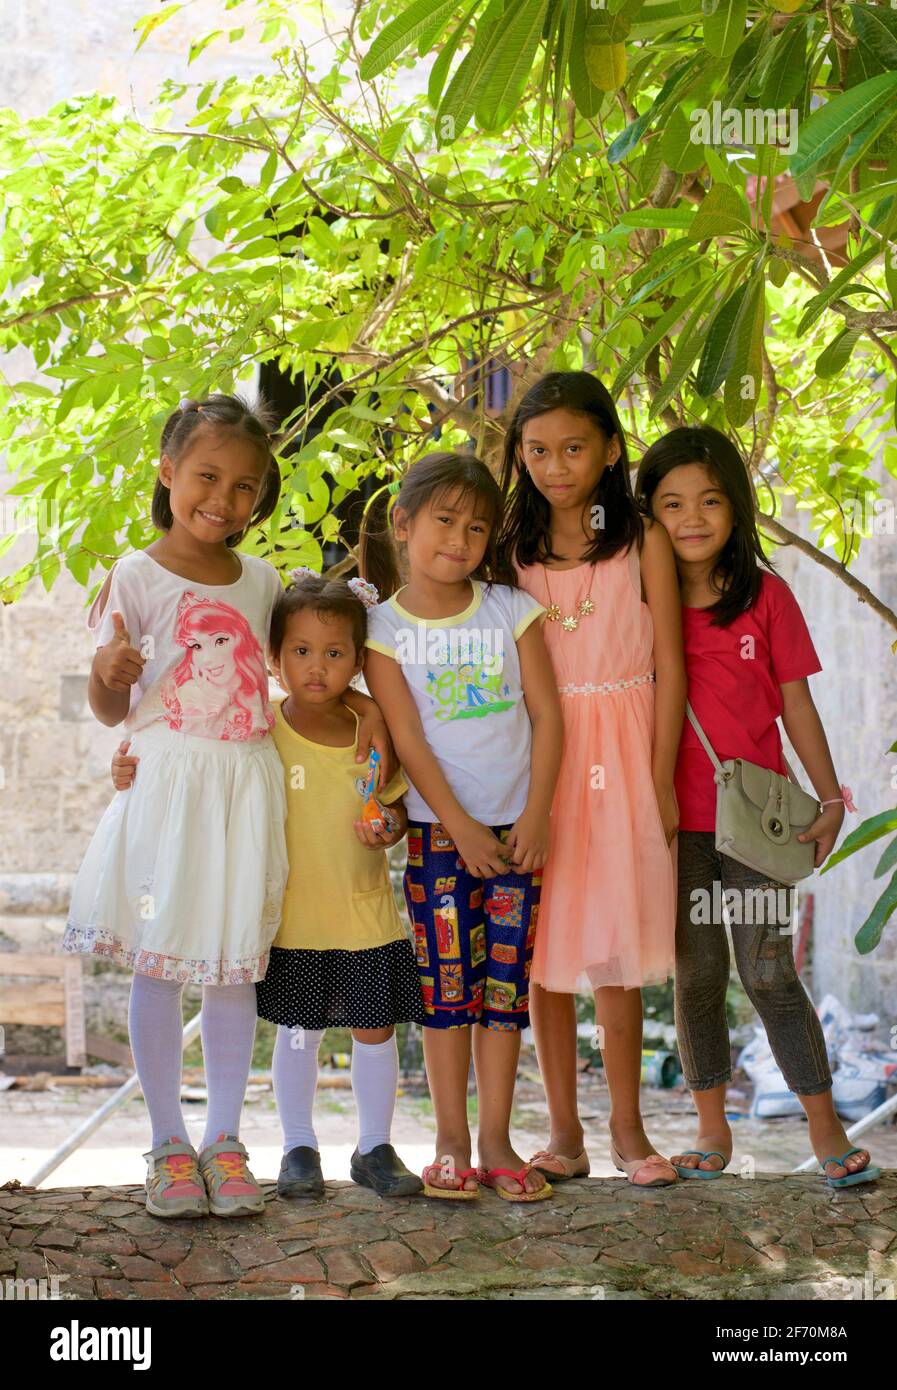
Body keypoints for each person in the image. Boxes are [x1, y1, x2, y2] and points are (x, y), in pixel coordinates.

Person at [74, 392, 390, 1219]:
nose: (224, 498)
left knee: (235, 965)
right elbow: (115, 702)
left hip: (244, 792)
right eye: (207, 476)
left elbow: (288, 682)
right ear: (168, 472)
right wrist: (108, 682)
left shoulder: (262, 582)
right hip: (168, 793)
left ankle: (225, 1140)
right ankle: (168, 1146)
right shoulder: (135, 575)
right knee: (159, 960)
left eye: (246, 486)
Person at [636, 425, 878, 1189]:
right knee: (698, 972)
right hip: (676, 825)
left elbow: (795, 704)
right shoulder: (640, 599)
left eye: (708, 500)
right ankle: (710, 1128)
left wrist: (832, 795)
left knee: (768, 971)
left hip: (757, 826)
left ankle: (824, 1123)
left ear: (736, 508)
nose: (691, 518)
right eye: (670, 504)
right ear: (648, 515)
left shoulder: (766, 596)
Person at [360, 451, 564, 1200]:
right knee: (447, 994)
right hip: (439, 841)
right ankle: (447, 1142)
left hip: (519, 835)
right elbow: (408, 741)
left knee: (504, 994)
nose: (460, 538)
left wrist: (535, 813)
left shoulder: (510, 609)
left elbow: (546, 715)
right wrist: (460, 828)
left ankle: (497, 1143)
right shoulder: (380, 629)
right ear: (404, 523)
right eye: (444, 520)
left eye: (477, 527)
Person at [499, 371, 685, 1187]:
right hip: (538, 759)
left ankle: (627, 1130)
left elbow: (671, 665)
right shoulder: (509, 551)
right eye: (536, 450)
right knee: (544, 948)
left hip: (624, 752)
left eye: (573, 448)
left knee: (613, 948)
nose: (554, 466)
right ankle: (564, 1134)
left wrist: (661, 778)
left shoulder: (639, 540)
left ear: (610, 449)